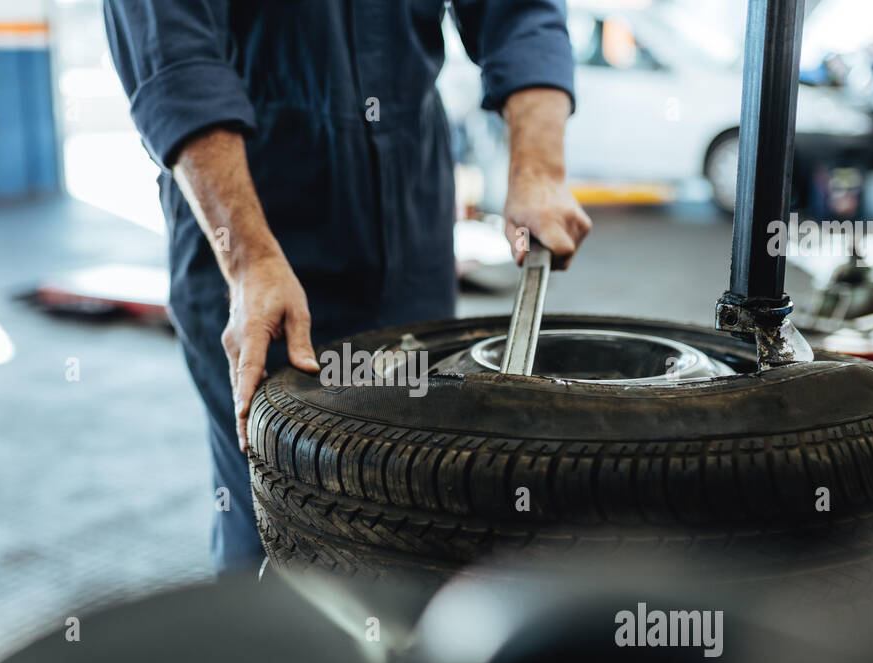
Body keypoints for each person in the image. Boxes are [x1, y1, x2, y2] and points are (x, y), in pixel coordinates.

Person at [104, 1, 592, 573]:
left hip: (409, 230)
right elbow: (173, 49)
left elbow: (519, 10)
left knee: (423, 501)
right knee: (272, 515)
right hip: (251, 230)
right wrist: (247, 258)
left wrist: (538, 166)